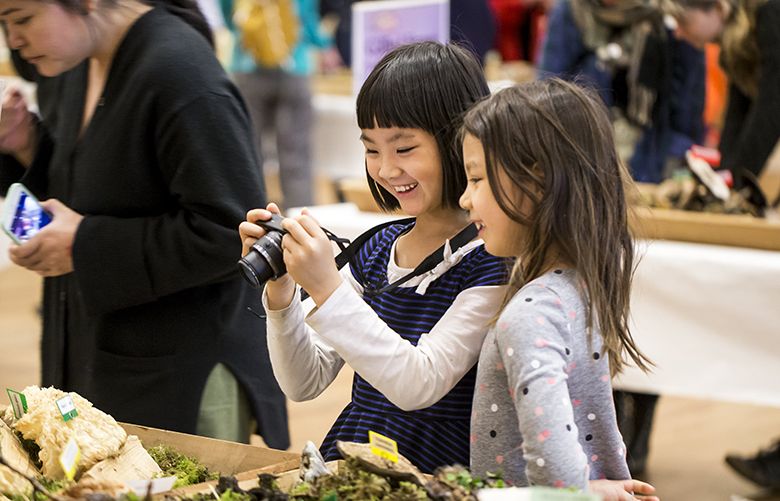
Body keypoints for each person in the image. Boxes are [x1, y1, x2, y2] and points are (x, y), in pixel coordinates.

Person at [0, 0, 288, 448]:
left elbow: (230, 232)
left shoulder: (181, 73)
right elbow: (99, 185)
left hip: (182, 372)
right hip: (105, 356)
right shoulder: (76, 63)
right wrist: (25, 145)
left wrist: (84, 245)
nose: (13, 40)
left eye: (21, 19)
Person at [238, 41, 510, 474]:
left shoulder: (491, 261)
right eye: (371, 149)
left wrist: (326, 286)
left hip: (436, 475)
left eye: (404, 149)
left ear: (460, 141)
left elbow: (418, 383)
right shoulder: (378, 248)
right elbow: (303, 382)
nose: (385, 169)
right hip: (355, 462)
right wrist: (283, 287)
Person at [460, 78, 655, 496]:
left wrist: (582, 490)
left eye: (476, 180)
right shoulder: (582, 287)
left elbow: (556, 471)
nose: (465, 199)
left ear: (537, 181)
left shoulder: (531, 312)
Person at [219, 0, 335, 209]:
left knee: (247, 151)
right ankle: (301, 223)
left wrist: (242, 32)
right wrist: (322, 44)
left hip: (246, 63)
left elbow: (228, 13)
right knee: (296, 154)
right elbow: (308, 17)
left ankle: (247, 218)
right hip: (294, 64)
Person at [665, 0, 779, 188]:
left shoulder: (769, 12)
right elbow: (737, 115)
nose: (678, 32)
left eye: (683, 21)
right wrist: (723, 181)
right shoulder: (738, 42)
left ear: (718, 8)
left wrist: (736, 184)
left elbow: (771, 106)